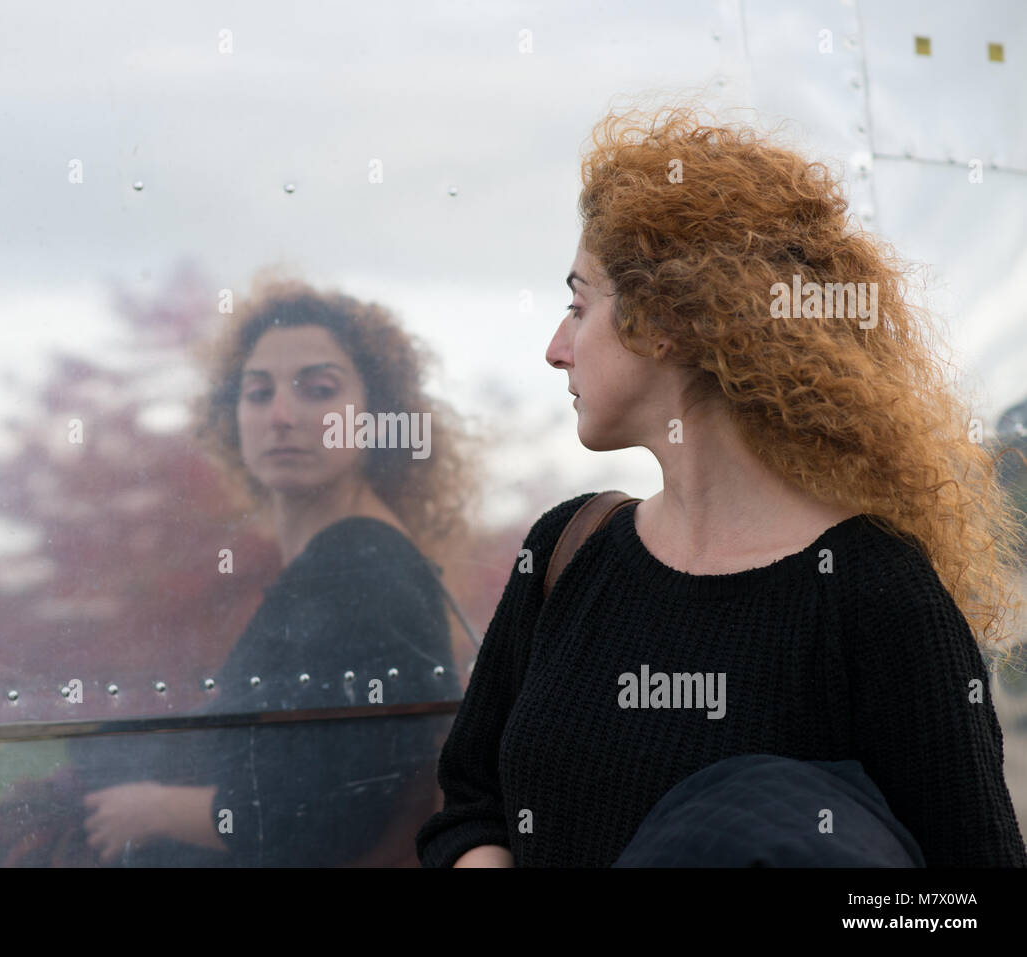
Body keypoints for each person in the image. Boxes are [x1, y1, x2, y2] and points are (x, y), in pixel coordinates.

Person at [416, 104, 1027, 868]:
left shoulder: (879, 597)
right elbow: (469, 808)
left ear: (662, 321)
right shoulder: (568, 550)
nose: (555, 348)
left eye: (579, 305)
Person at [77, 276, 476, 866]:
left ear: (378, 415)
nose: (282, 415)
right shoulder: (346, 562)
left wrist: (154, 809)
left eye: (318, 389)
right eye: (257, 392)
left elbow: (327, 811)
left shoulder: (359, 568)